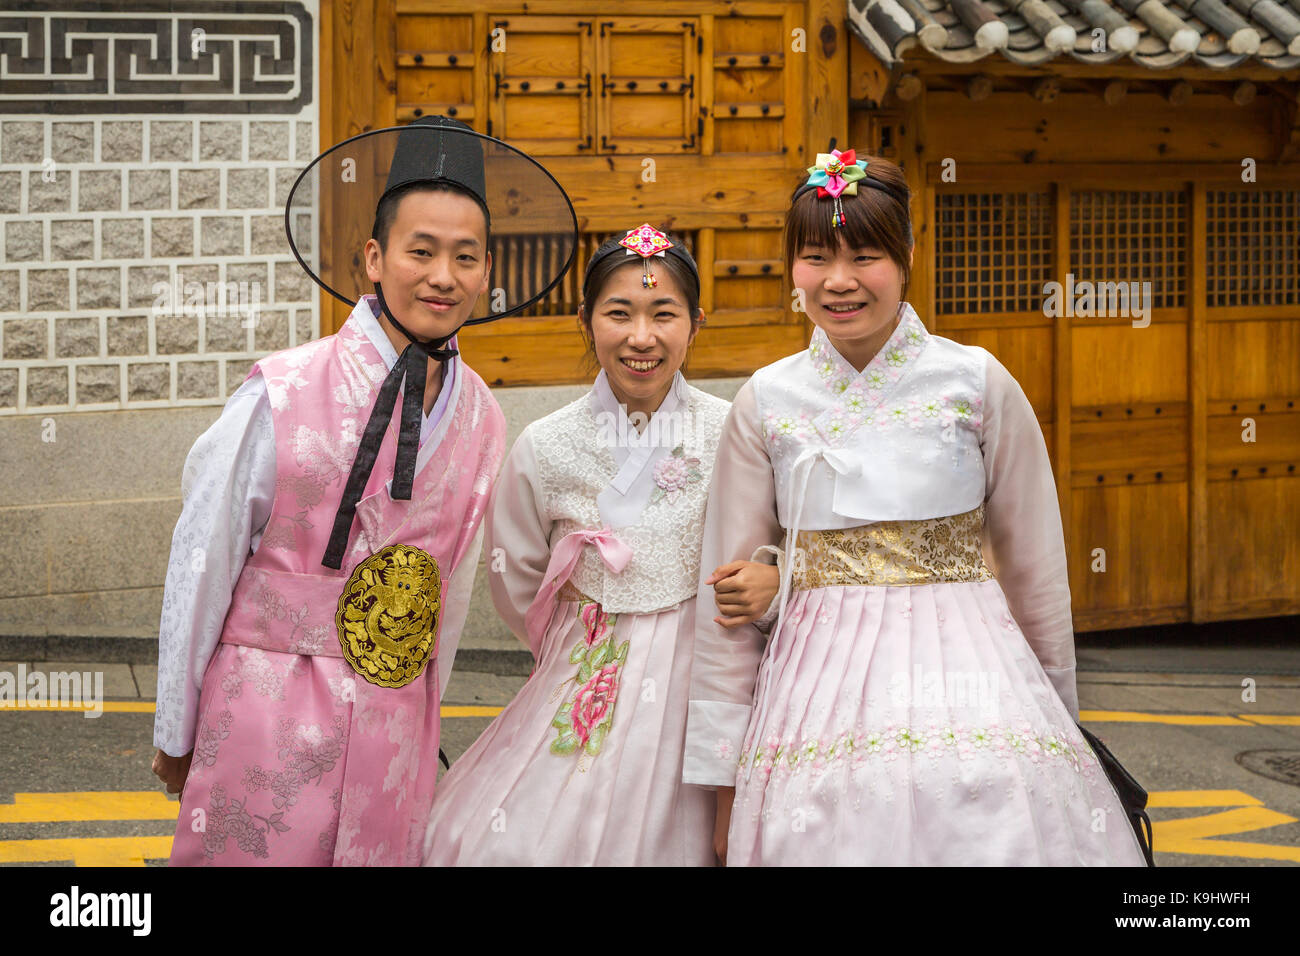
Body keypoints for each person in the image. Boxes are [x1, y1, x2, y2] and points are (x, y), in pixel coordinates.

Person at [683, 145, 1149, 866]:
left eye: (864, 255)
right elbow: (726, 602)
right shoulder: (766, 400)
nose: (838, 282)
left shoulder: (976, 382)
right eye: (815, 258)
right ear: (793, 269)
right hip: (814, 687)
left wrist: (1059, 717)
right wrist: (724, 785)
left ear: (905, 256)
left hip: (975, 672)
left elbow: (1035, 570)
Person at [150, 117, 577, 865]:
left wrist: (428, 716)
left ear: (486, 272)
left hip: (394, 724)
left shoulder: (480, 414)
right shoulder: (281, 391)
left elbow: (450, 589)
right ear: (376, 258)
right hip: (263, 709)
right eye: (421, 251)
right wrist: (174, 725)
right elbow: (202, 557)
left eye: (465, 257)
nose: (443, 276)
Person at [422, 225, 779, 866]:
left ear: (695, 324)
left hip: (707, 670)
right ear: (587, 322)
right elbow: (516, 575)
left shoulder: (735, 432)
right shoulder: (547, 444)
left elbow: (768, 547)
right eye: (619, 313)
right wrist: (577, 634)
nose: (641, 337)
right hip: (586, 668)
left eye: (662, 313)